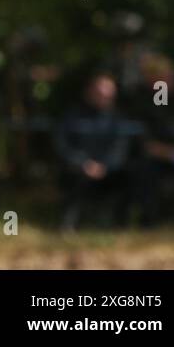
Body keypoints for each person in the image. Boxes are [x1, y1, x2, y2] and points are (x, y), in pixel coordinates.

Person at [54, 71, 136, 230]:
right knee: (73, 177)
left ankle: (115, 223)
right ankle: (69, 224)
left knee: (132, 173)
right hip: (78, 168)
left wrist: (105, 166)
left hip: (111, 170)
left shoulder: (118, 119)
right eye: (100, 93)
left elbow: (121, 149)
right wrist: (84, 163)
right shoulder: (72, 116)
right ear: (90, 92)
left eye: (108, 95)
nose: (104, 98)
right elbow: (62, 146)